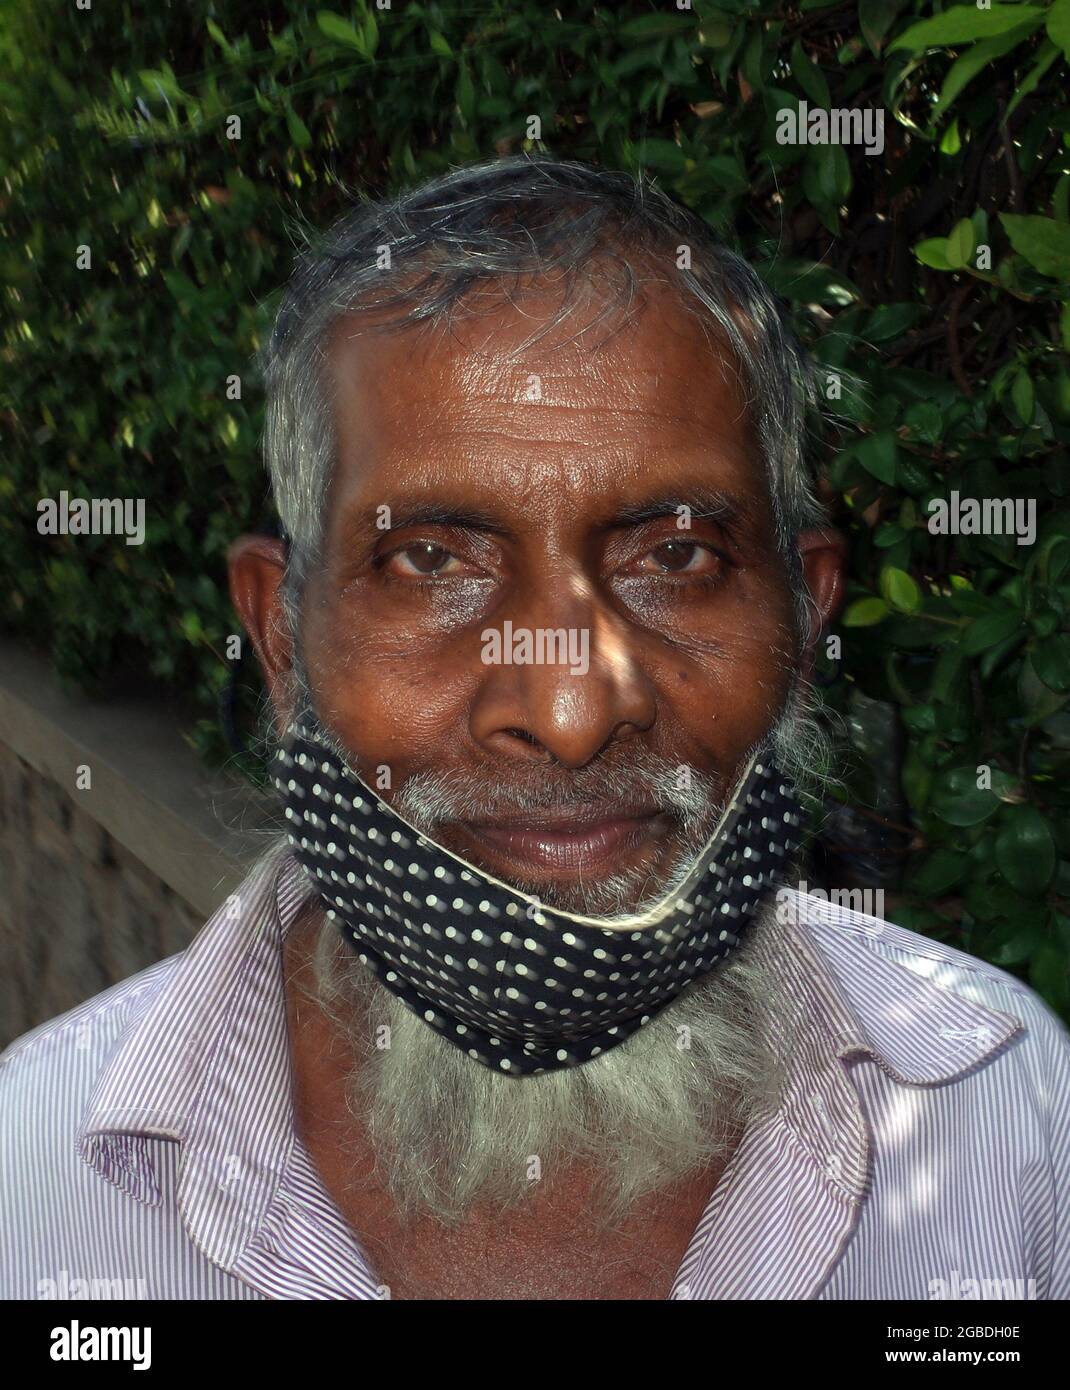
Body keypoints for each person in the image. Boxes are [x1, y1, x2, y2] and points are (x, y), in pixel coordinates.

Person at [2, 158, 1067, 1301]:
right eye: (429, 562)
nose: (567, 715)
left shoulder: (1001, 1108)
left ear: (802, 620)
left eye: (675, 558)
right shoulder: (34, 1177)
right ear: (280, 638)